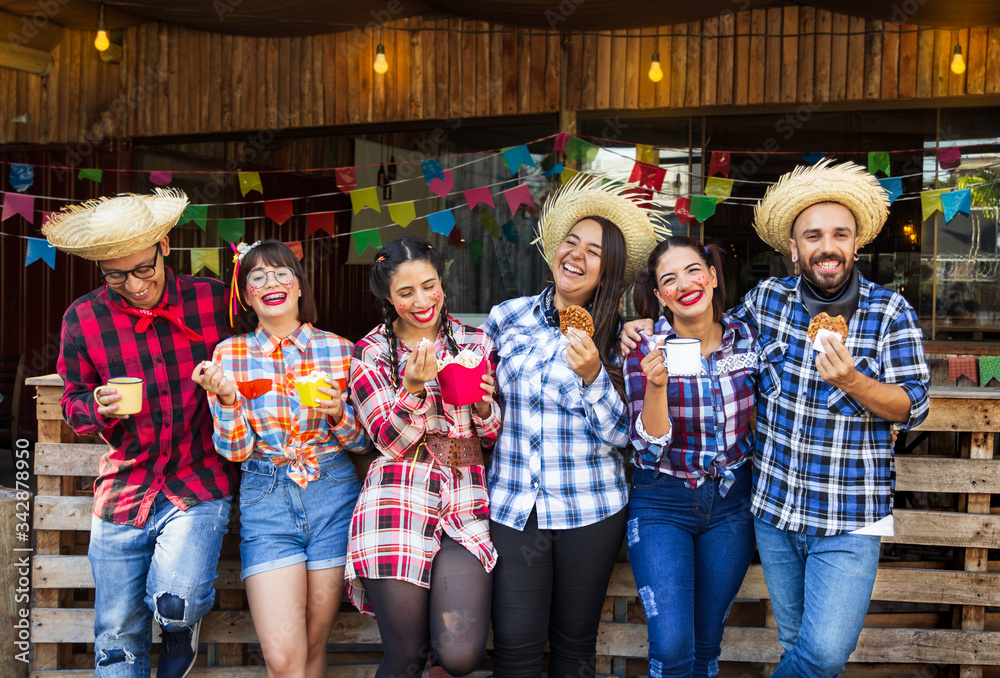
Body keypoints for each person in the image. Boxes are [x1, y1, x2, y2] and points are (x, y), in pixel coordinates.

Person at [622, 160, 930, 677]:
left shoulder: (889, 311)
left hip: (850, 515)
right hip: (775, 511)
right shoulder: (767, 304)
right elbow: (705, 329)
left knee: (823, 654)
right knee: (794, 646)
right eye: (813, 236)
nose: (826, 246)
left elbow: (914, 405)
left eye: (839, 234)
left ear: (857, 244)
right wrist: (642, 326)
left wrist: (853, 381)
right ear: (795, 248)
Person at [44, 189, 238, 678]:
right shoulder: (82, 319)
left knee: (177, 602)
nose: (131, 285)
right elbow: (73, 404)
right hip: (124, 487)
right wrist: (98, 405)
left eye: (142, 270)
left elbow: (265, 349)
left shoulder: (213, 301)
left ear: (164, 248)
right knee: (115, 635)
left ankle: (179, 627)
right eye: (115, 275)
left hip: (198, 480)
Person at [483, 173, 666, 678]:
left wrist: (592, 379)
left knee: (573, 651)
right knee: (516, 648)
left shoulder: (623, 339)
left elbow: (625, 437)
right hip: (514, 507)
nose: (577, 256)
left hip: (591, 508)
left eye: (594, 252)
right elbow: (480, 400)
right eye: (571, 242)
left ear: (608, 272)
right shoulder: (507, 318)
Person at [191, 240, 367, 677]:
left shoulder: (342, 350)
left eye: (281, 272)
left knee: (311, 645)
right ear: (247, 294)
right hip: (265, 497)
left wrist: (337, 412)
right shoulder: (228, 355)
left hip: (333, 494)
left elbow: (362, 442)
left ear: (299, 285)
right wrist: (229, 399)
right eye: (258, 276)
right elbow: (235, 451)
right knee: (283, 658)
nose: (272, 282)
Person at [347, 235, 500, 678]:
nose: (421, 301)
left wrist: (487, 407)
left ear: (442, 283)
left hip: (465, 510)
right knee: (406, 655)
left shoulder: (475, 342)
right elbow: (387, 440)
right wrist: (412, 388)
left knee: (459, 655)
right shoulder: (371, 351)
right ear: (387, 297)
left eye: (429, 285)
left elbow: (490, 438)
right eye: (405, 292)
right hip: (396, 506)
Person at [623, 236, 757, 678]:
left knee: (706, 642)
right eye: (669, 279)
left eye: (693, 270)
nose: (685, 284)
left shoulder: (748, 338)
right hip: (663, 501)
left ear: (714, 277)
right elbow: (647, 446)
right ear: (660, 295)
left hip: (730, 503)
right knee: (672, 643)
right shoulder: (644, 349)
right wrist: (656, 387)